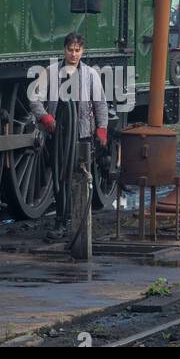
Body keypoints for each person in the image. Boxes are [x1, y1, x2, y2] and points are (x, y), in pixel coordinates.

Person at [29, 32, 108, 237]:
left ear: (82, 51)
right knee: (59, 176)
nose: (73, 54)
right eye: (70, 50)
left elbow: (100, 104)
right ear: (64, 50)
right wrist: (45, 117)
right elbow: (34, 98)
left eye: (77, 50)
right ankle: (61, 219)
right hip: (58, 135)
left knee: (79, 176)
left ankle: (78, 218)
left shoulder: (91, 75)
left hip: (82, 135)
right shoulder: (51, 72)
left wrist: (102, 129)